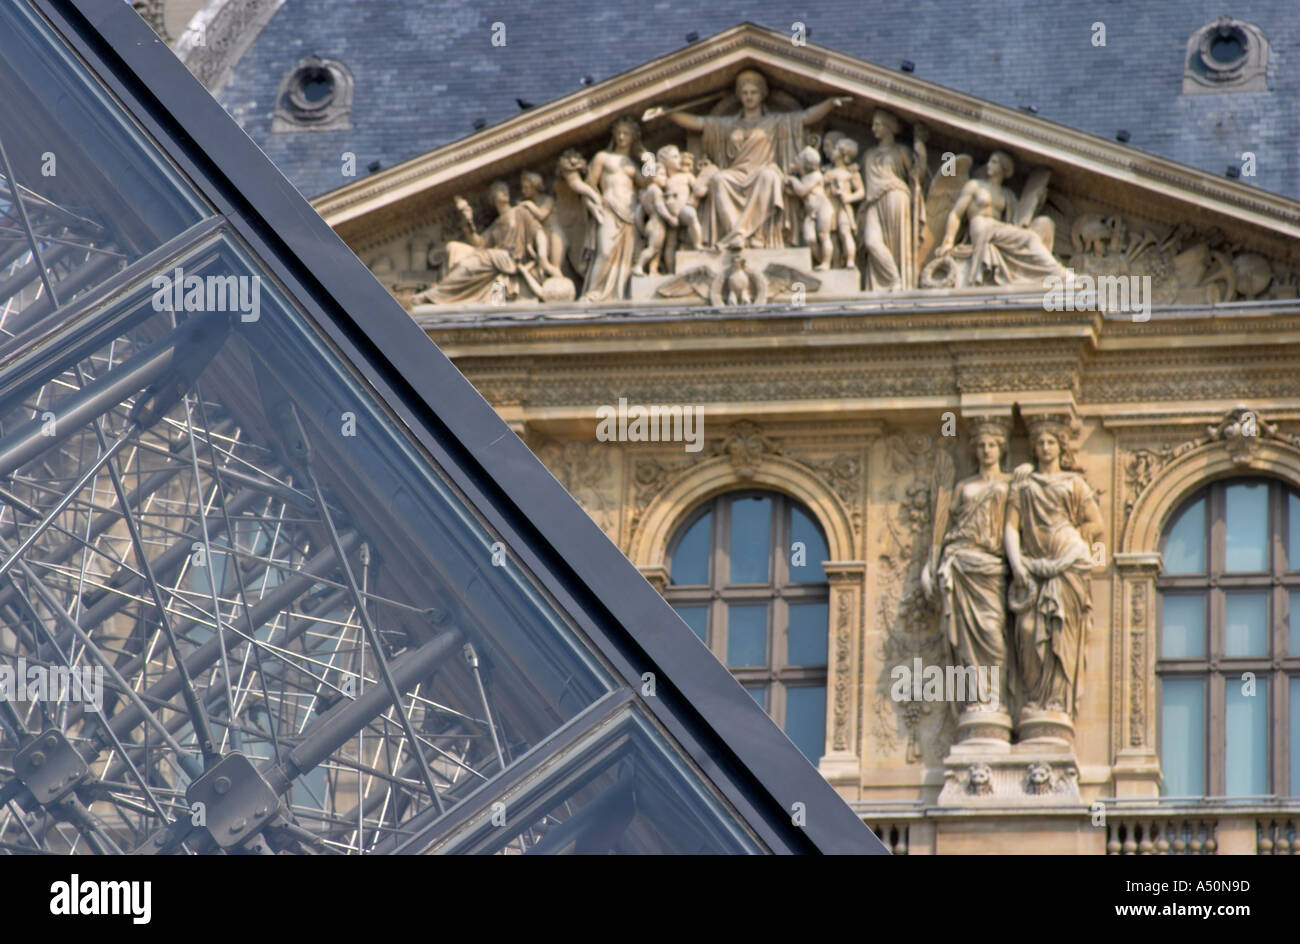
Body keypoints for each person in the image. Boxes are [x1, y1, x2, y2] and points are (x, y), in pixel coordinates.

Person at [644, 70, 850, 250]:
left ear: (762, 95)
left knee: (769, 176)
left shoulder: (775, 121)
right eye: (745, 93)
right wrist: (669, 114)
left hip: (763, 170)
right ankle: (736, 234)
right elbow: (699, 123)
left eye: (753, 92)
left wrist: (829, 104)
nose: (749, 97)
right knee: (719, 180)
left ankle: (756, 235)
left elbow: (806, 117)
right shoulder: (727, 124)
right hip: (736, 173)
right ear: (739, 96)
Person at [1004, 417, 1102, 719]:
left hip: (1066, 566)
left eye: (1051, 442)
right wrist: (1017, 564)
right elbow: (1011, 527)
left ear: (1061, 447)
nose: (1045, 447)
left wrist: (1081, 550)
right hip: (1032, 566)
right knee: (1028, 630)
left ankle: (1056, 699)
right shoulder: (1024, 485)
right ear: (1033, 448)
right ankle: (1036, 696)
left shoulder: (1074, 483)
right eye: (1040, 443)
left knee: (1060, 632)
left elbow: (1096, 523)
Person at [937, 150, 1064, 286]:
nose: (989, 165)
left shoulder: (1007, 194)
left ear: (1003, 168)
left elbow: (1019, 222)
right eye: (990, 161)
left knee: (1034, 233)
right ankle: (1058, 273)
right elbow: (956, 214)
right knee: (1029, 238)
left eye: (994, 162)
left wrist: (1037, 199)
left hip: (998, 229)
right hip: (981, 227)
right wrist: (948, 240)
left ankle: (1045, 273)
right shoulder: (975, 185)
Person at [580, 116, 645, 301]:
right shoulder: (603, 157)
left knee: (624, 259)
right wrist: (594, 204)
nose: (622, 137)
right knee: (605, 251)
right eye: (619, 133)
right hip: (609, 208)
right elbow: (590, 184)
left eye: (626, 134)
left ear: (633, 137)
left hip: (630, 213)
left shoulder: (632, 164)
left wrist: (648, 158)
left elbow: (648, 182)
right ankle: (593, 292)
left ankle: (617, 296)